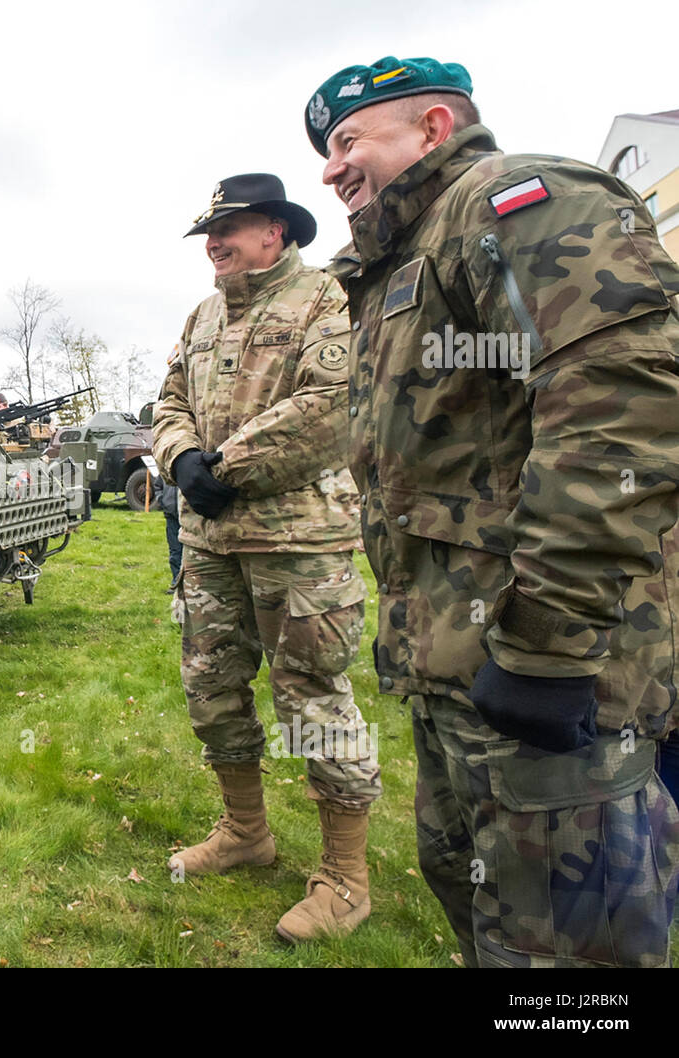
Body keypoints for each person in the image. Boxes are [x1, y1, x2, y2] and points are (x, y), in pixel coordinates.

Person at [306, 55, 679, 966]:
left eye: (350, 139)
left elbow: (621, 405)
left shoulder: (513, 200)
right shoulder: (404, 256)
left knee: (566, 962)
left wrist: (546, 649)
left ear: (434, 127)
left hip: (555, 679)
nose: (330, 167)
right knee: (491, 920)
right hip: (462, 673)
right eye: (324, 149)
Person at [153, 174, 380, 942]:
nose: (213, 243)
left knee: (312, 699)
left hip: (299, 539)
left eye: (229, 228)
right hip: (212, 543)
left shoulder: (325, 300)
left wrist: (222, 469)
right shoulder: (203, 313)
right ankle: (246, 834)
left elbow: (330, 403)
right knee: (212, 687)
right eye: (208, 233)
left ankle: (346, 880)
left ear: (275, 231)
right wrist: (180, 456)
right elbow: (169, 401)